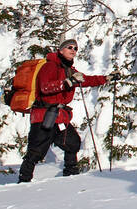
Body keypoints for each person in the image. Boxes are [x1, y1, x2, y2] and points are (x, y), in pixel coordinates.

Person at [17, 38, 113, 182]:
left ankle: (70, 178)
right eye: (70, 47)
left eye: (75, 48)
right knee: (35, 152)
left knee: (72, 143)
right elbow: (45, 87)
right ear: (61, 50)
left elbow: (86, 80)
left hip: (59, 117)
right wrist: (67, 83)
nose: (73, 50)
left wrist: (106, 78)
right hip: (43, 116)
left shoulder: (68, 69)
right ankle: (23, 182)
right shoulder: (50, 66)